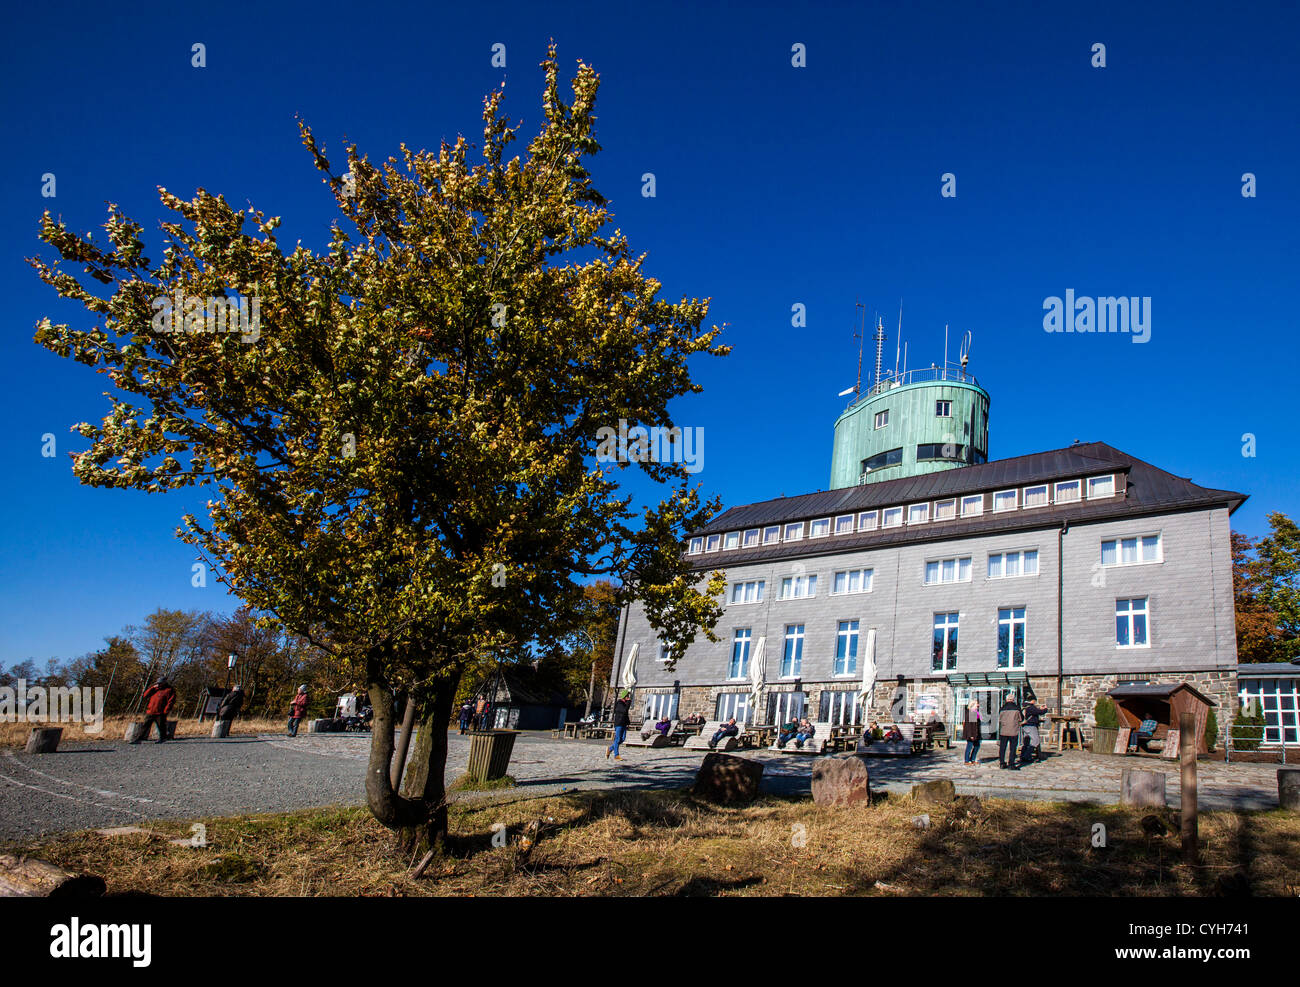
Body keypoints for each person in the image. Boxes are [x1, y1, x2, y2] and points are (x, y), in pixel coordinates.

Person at [141, 676, 176, 743]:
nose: (159, 684)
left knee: (161, 726)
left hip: (161, 712)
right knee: (145, 725)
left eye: (160, 683)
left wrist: (166, 710)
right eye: (158, 683)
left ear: (164, 683)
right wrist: (152, 688)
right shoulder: (155, 689)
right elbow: (145, 695)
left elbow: (171, 701)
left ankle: (163, 738)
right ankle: (139, 738)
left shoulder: (169, 690)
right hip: (151, 710)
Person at [1020, 697, 1049, 764]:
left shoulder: (1024, 706)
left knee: (1026, 742)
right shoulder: (1031, 707)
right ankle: (1026, 756)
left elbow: (1034, 712)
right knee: (1036, 741)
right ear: (1032, 701)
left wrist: (1039, 709)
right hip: (1031, 726)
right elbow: (1039, 712)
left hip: (1025, 726)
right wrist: (1045, 709)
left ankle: (1022, 755)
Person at [998, 694, 1023, 769]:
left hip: (1004, 730)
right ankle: (1011, 764)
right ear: (1013, 699)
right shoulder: (1017, 708)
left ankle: (1002, 763)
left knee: (1002, 747)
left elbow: (999, 719)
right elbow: (1021, 718)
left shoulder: (1002, 708)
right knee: (1012, 748)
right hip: (1013, 730)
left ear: (1006, 699)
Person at [607, 690, 632, 759]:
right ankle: (616, 755)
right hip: (619, 724)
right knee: (617, 739)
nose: (628, 697)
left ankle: (610, 748)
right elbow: (624, 711)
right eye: (627, 696)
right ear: (624, 696)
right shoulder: (619, 703)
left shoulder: (625, 703)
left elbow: (626, 714)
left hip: (624, 724)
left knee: (623, 738)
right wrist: (629, 702)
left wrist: (628, 722)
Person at [963, 700, 982, 764]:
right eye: (977, 704)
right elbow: (969, 725)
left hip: (976, 733)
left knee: (977, 746)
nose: (978, 705)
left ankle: (973, 759)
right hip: (971, 733)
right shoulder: (970, 713)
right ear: (973, 705)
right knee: (969, 746)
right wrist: (971, 734)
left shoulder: (976, 713)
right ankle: (966, 760)